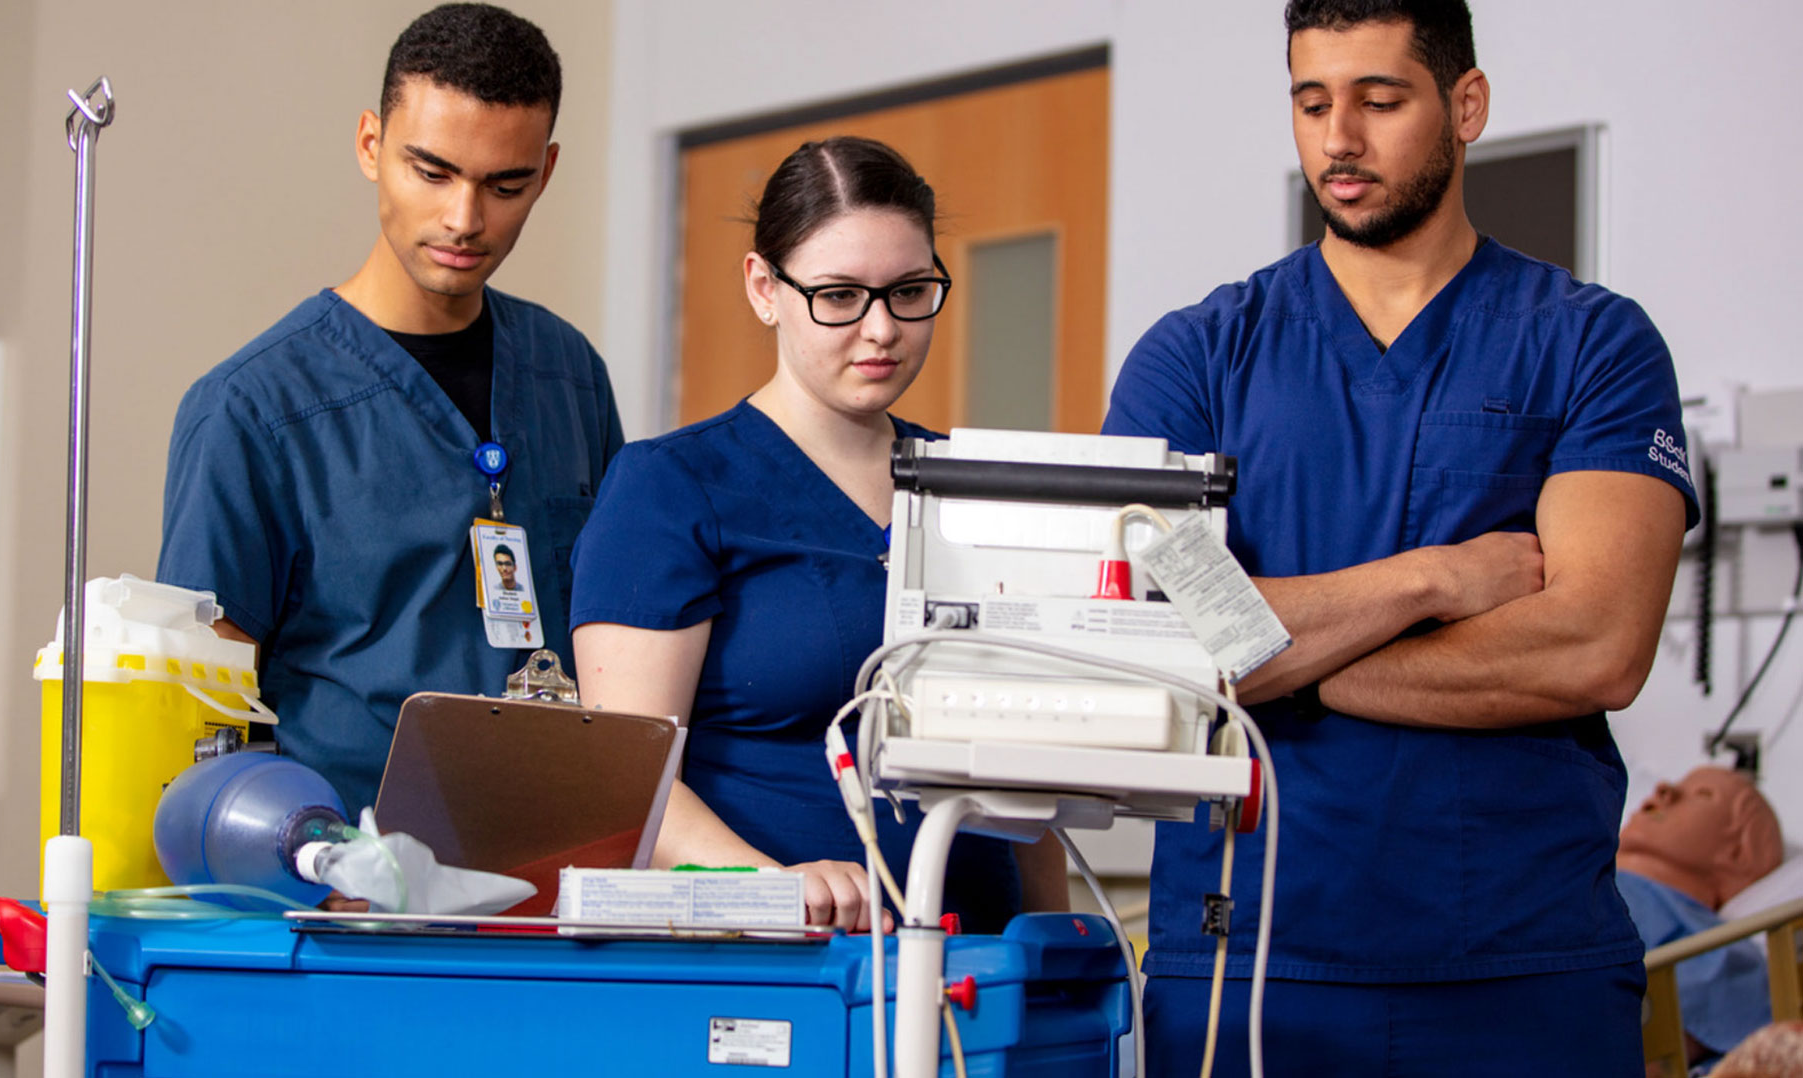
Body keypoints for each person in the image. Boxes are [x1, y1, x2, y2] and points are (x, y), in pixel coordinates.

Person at [1102, 0, 1698, 1072]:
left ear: (1464, 105)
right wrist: (1435, 578)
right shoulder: (1193, 359)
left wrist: (1285, 663)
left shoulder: (1588, 345)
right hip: (1245, 964)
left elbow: (1594, 647)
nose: (1338, 139)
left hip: (1520, 968)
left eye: (1379, 100)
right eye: (1311, 101)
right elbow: (1157, 650)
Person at [567, 137, 1067, 932]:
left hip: (979, 963)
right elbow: (624, 778)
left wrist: (1066, 948)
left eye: (909, 291)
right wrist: (774, 888)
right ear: (764, 288)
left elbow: (1022, 773)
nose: (880, 329)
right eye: (838, 296)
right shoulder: (669, 488)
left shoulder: (976, 485)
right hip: (781, 959)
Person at [158, 4, 622, 818]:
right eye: (432, 172)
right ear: (371, 145)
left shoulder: (568, 375)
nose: (464, 219)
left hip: (554, 861)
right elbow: (207, 721)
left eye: (504, 184)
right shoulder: (251, 410)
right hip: (348, 880)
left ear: (545, 172)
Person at [1618, 766, 1785, 1062]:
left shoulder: (1719, 952)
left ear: (1739, 852)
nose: (1663, 791)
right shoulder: (1568, 870)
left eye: (1702, 794)